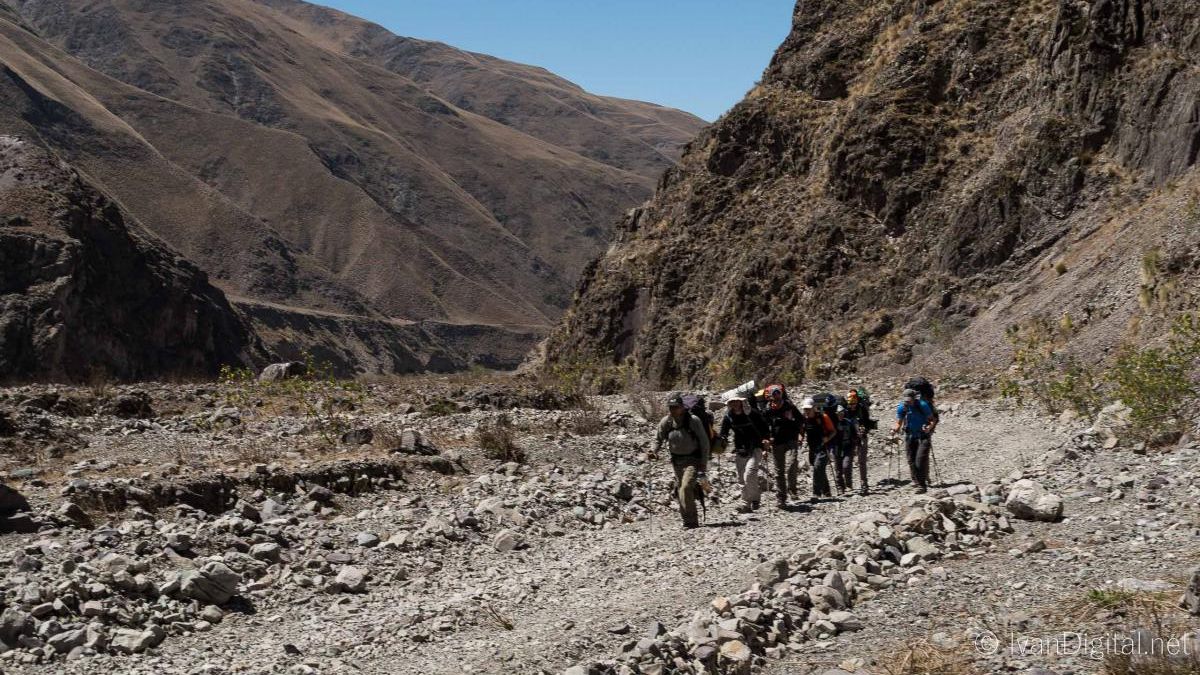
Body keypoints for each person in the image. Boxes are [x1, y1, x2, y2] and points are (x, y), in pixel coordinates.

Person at [651, 393, 711, 528]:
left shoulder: (693, 420)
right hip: (676, 461)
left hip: (693, 460)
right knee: (680, 490)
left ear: (683, 407)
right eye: (671, 407)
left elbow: (704, 443)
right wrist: (653, 451)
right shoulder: (666, 422)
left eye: (676, 407)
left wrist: (703, 464)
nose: (673, 410)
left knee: (685, 488)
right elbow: (658, 439)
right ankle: (686, 520)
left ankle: (691, 521)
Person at [719, 396, 770, 512]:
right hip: (740, 450)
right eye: (732, 402)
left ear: (741, 402)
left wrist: (766, 441)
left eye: (736, 401)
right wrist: (720, 442)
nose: (734, 404)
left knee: (750, 473)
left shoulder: (752, 413)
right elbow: (724, 432)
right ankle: (748, 503)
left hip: (755, 448)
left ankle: (751, 500)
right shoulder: (729, 417)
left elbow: (764, 427)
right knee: (742, 479)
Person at [892, 388, 939, 493]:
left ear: (914, 398)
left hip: (923, 435)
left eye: (910, 400)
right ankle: (917, 482)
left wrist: (928, 428)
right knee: (911, 460)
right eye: (906, 400)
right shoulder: (902, 408)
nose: (908, 402)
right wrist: (894, 429)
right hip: (910, 435)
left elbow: (932, 420)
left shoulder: (923, 405)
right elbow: (899, 422)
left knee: (920, 460)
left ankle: (922, 485)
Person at [763, 384, 802, 507]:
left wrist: (801, 435)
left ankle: (792, 489)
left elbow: (800, 420)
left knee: (792, 463)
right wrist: (766, 440)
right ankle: (781, 498)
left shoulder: (789, 406)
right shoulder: (767, 410)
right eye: (773, 394)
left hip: (791, 440)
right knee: (779, 472)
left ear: (781, 394)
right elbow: (764, 427)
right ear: (770, 397)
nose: (776, 396)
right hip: (776, 443)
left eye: (778, 393)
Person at [801, 398, 836, 500]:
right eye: (805, 409)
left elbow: (833, 431)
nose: (806, 411)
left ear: (813, 408)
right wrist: (800, 439)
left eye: (808, 409)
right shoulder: (805, 419)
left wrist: (827, 438)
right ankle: (827, 491)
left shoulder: (823, 417)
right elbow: (802, 432)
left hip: (823, 447)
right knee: (819, 469)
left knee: (817, 467)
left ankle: (816, 493)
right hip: (812, 449)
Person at [845, 390, 872, 495]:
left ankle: (864, 484)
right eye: (850, 404)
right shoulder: (846, 410)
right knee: (848, 461)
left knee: (861, 461)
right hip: (851, 438)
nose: (852, 406)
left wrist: (864, 429)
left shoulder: (862, 410)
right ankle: (848, 485)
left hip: (862, 437)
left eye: (854, 404)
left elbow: (869, 423)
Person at [831, 404, 859, 495]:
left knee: (846, 466)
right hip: (837, 448)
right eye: (839, 413)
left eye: (842, 413)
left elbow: (854, 435)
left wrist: (856, 443)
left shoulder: (849, 422)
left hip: (848, 448)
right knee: (838, 470)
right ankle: (840, 487)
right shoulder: (833, 424)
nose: (840, 415)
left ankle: (848, 484)